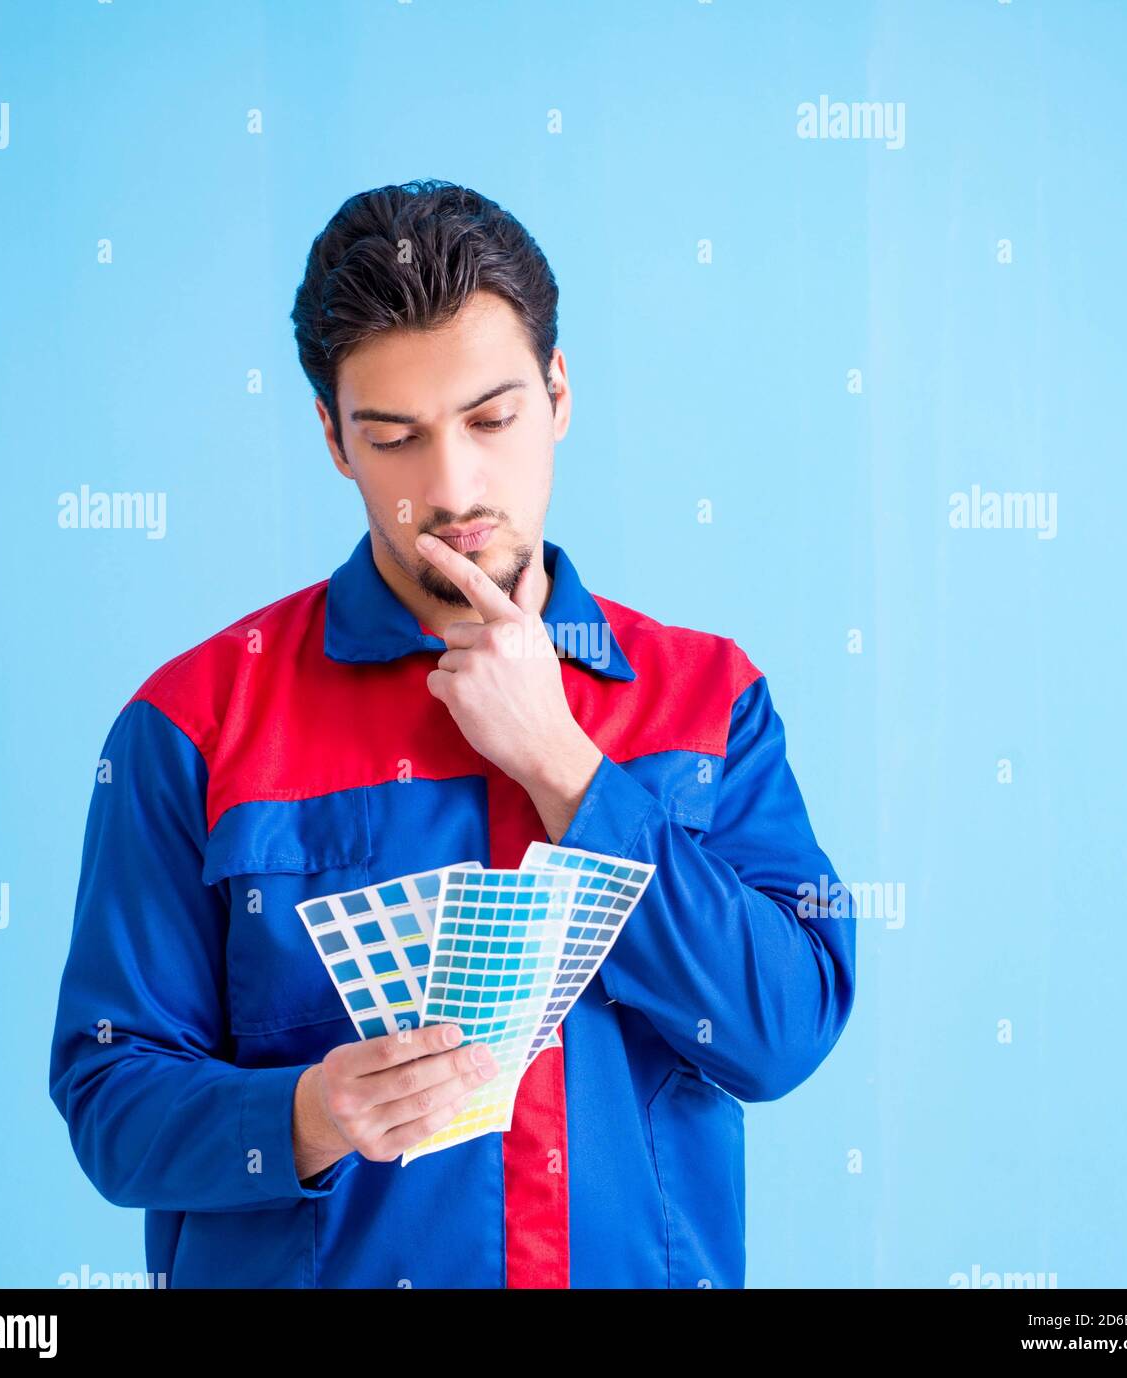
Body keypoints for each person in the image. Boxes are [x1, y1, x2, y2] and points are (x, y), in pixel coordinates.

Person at [48, 179, 857, 1289]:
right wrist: (305, 1113)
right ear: (335, 440)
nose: (453, 484)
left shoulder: (708, 699)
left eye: (491, 419)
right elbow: (109, 1099)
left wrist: (568, 769)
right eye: (395, 438)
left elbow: (782, 1031)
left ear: (559, 392)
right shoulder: (190, 725)